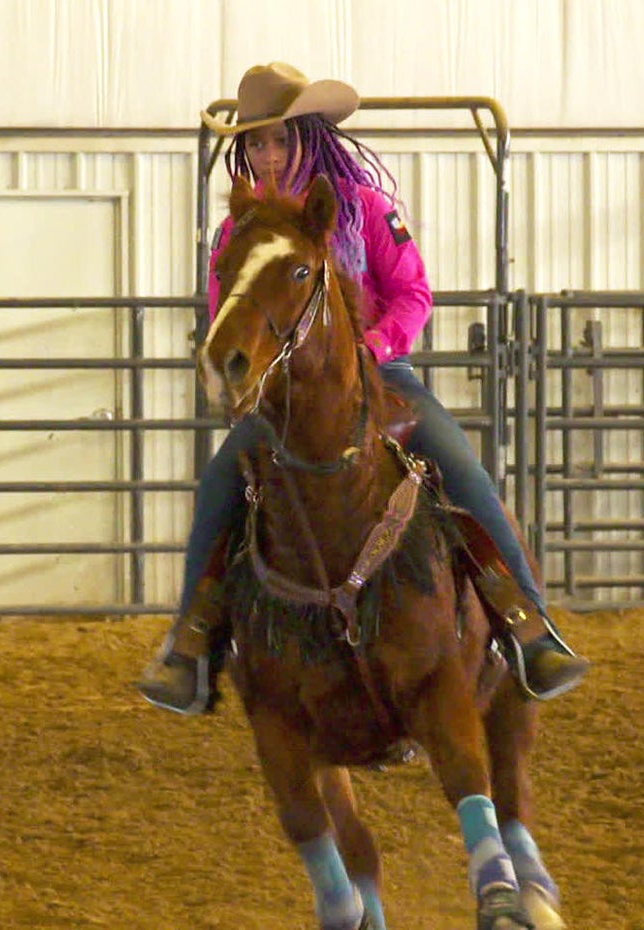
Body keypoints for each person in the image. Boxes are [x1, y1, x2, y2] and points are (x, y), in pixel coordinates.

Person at [137, 62, 589, 715]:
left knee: (460, 467)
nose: (268, 156)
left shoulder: (365, 211)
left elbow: (413, 294)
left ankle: (530, 628)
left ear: (309, 139)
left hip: (377, 375)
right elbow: (228, 314)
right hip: (282, 397)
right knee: (219, 485)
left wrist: (372, 347)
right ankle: (191, 645)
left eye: (281, 140)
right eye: (256, 144)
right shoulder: (240, 234)